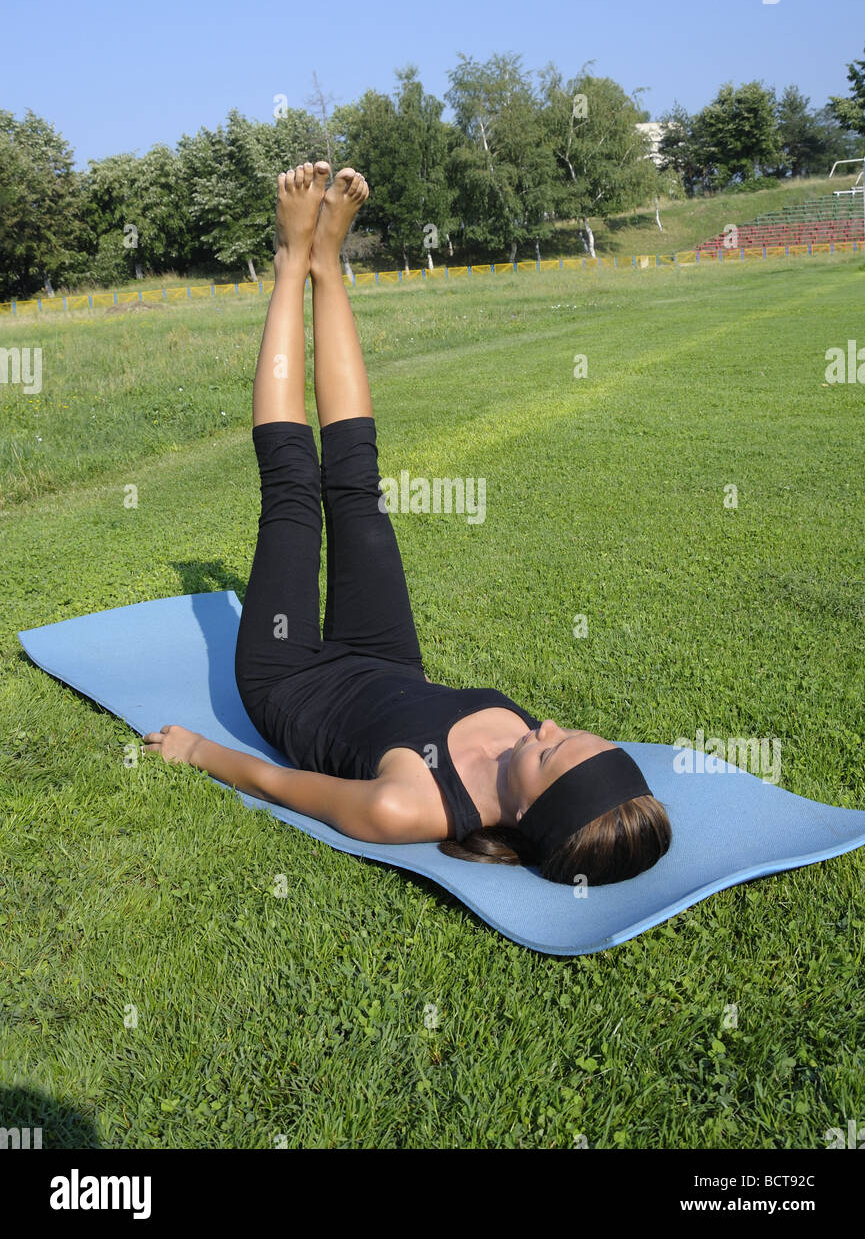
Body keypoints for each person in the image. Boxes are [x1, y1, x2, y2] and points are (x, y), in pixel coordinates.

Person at [144, 162, 671, 885]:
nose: (544, 727)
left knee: (294, 493)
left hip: (290, 679)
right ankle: (327, 265)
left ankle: (289, 261)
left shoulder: (405, 807)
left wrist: (196, 751)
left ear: (522, 815)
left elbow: (278, 787)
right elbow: (420, 705)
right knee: (357, 483)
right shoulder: (529, 750)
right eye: (571, 733)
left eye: (548, 751)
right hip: (385, 662)